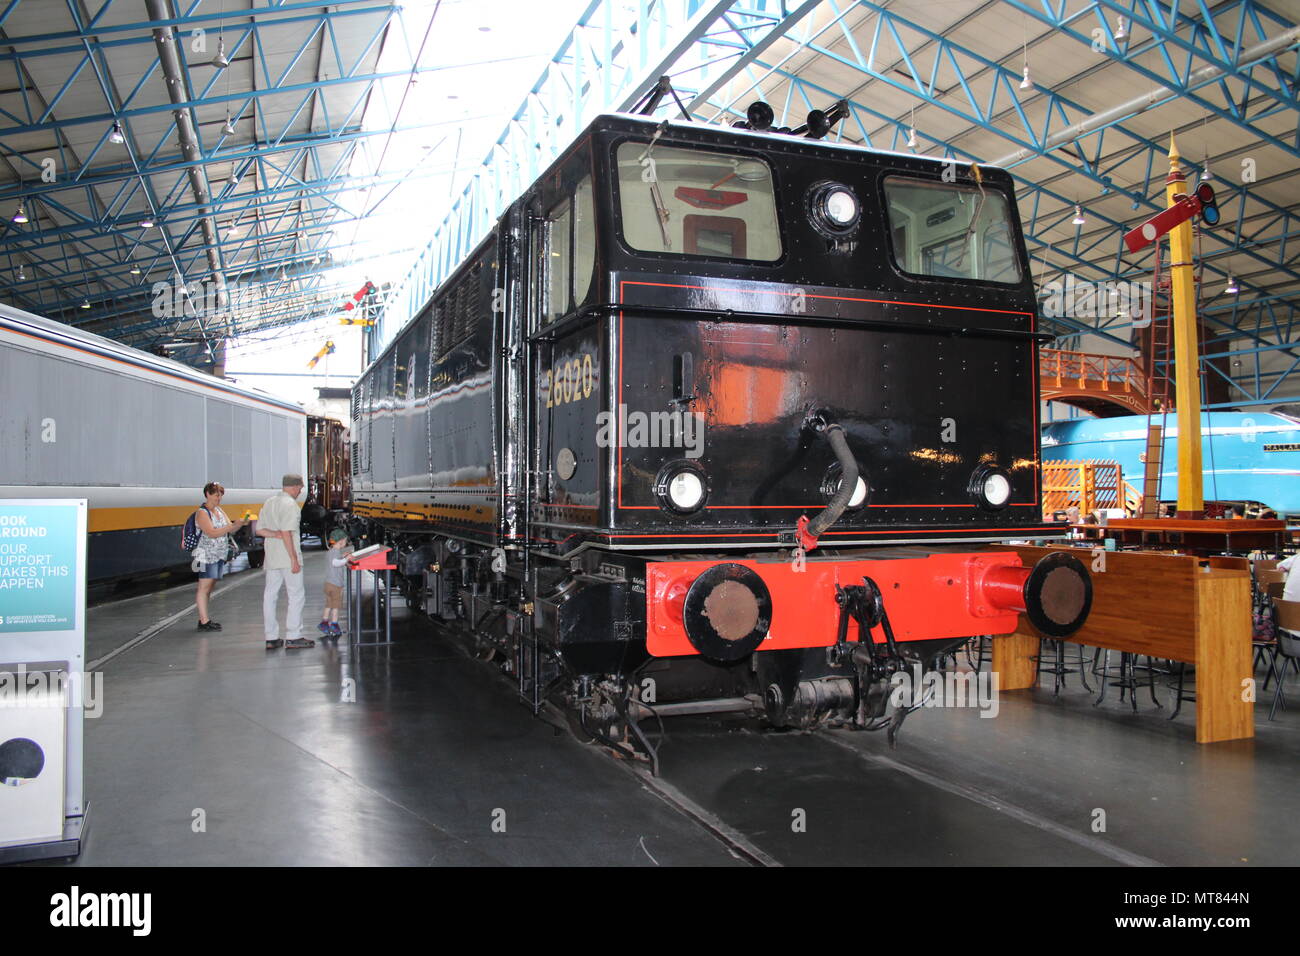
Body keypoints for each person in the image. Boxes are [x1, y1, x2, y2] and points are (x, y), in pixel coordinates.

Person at [258, 474, 311, 650]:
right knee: (296, 595)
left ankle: (271, 637)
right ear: (294, 486)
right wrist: (294, 559)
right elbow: (287, 532)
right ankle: (294, 635)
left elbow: (260, 530)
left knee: (270, 596)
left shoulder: (269, 502)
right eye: (300, 487)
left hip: (272, 557)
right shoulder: (290, 505)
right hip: (288, 558)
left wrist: (274, 535)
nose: (300, 491)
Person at [192, 482, 248, 631]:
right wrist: (230, 526)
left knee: (209, 586)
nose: (219, 497)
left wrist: (239, 524)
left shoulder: (220, 511)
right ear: (207, 494)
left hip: (218, 554)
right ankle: (204, 621)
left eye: (221, 494)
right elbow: (211, 532)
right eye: (216, 494)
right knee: (204, 587)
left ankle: (204, 618)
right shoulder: (202, 513)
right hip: (206, 555)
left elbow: (229, 530)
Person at [318, 529, 354, 639]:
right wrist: (346, 559)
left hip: (328, 583)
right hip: (335, 585)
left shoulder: (331, 551)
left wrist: (343, 556)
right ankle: (334, 625)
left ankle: (324, 623)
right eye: (345, 541)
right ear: (341, 541)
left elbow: (335, 559)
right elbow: (336, 563)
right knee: (336, 607)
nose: (345, 543)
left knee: (329, 605)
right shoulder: (334, 553)